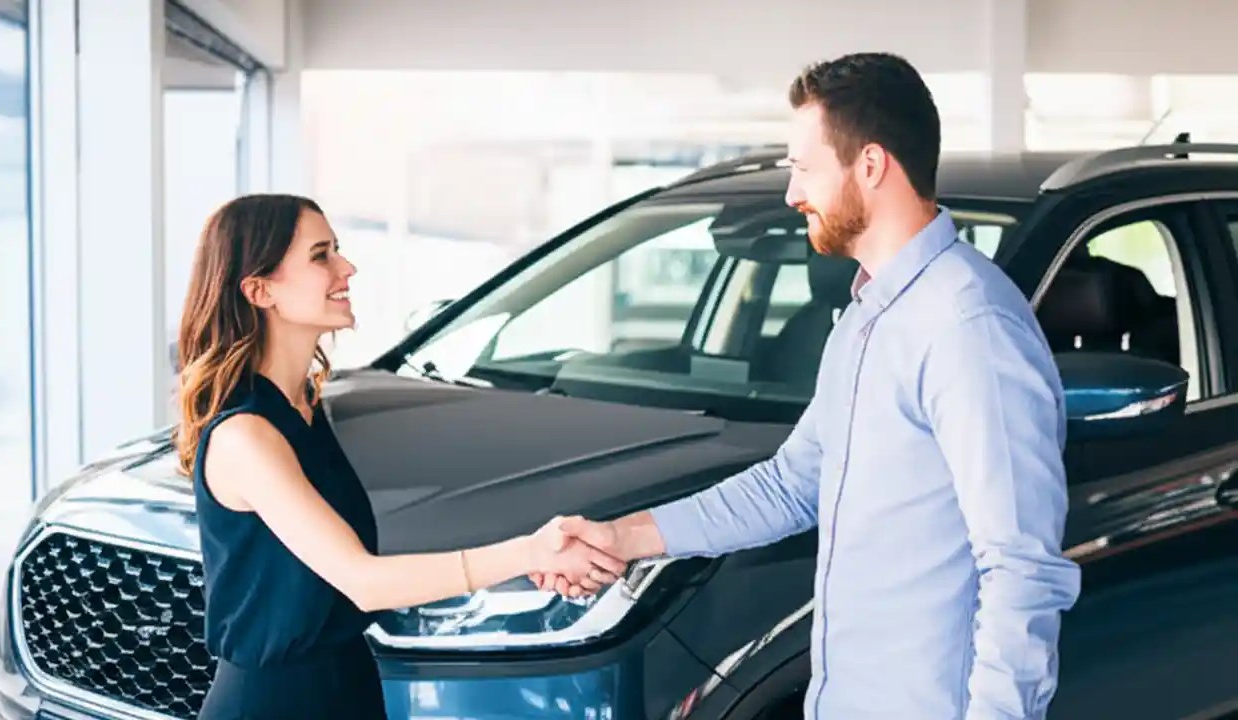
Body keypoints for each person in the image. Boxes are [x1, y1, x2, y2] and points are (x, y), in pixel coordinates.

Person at [533, 53, 1082, 719]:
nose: (793, 194)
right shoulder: (864, 320)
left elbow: (1021, 568)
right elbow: (789, 486)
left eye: (804, 168)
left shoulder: (968, 326)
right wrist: (623, 538)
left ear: (871, 166)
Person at [174, 194, 626, 720]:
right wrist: (531, 553)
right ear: (259, 289)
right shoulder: (247, 435)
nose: (347, 268)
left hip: (344, 684)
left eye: (337, 250)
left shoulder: (304, 406)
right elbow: (364, 582)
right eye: (321, 255)